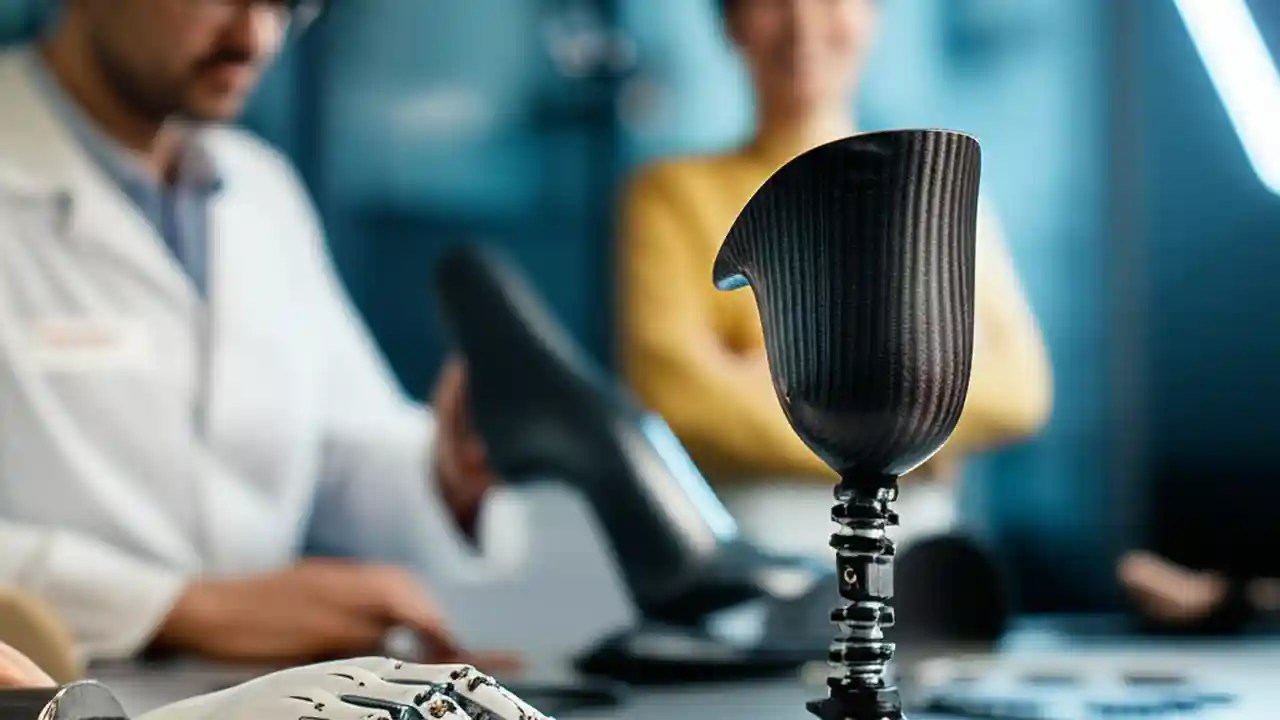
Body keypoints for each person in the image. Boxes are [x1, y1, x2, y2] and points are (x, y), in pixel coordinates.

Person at [0, 0, 501, 664]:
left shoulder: (261, 190)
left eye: (287, 4)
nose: (254, 36)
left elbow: (345, 454)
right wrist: (178, 607)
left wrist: (450, 472)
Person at [619, 0, 1053, 554]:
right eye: (772, 2)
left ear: (872, 15)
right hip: (752, 549)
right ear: (731, 23)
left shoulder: (933, 190)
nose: (804, 24)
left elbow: (1020, 390)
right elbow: (678, 398)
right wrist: (905, 402)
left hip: (923, 553)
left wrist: (781, 377)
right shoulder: (670, 197)